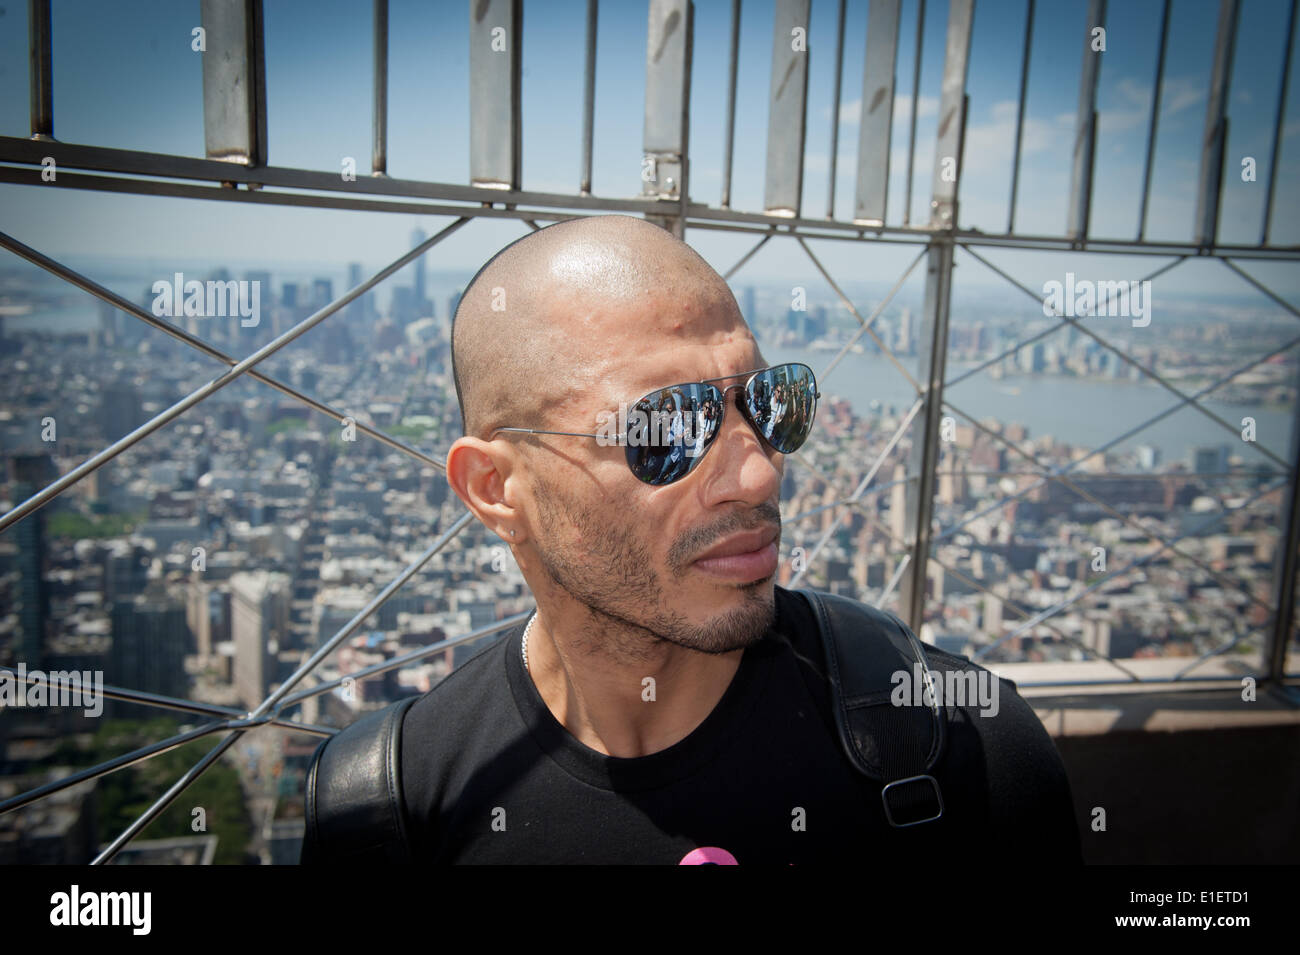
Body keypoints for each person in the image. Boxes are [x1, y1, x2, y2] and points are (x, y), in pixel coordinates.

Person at [300, 215, 1081, 864]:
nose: (757, 474)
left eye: (772, 403)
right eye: (668, 427)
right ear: (496, 490)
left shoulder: (962, 748)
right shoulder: (383, 811)